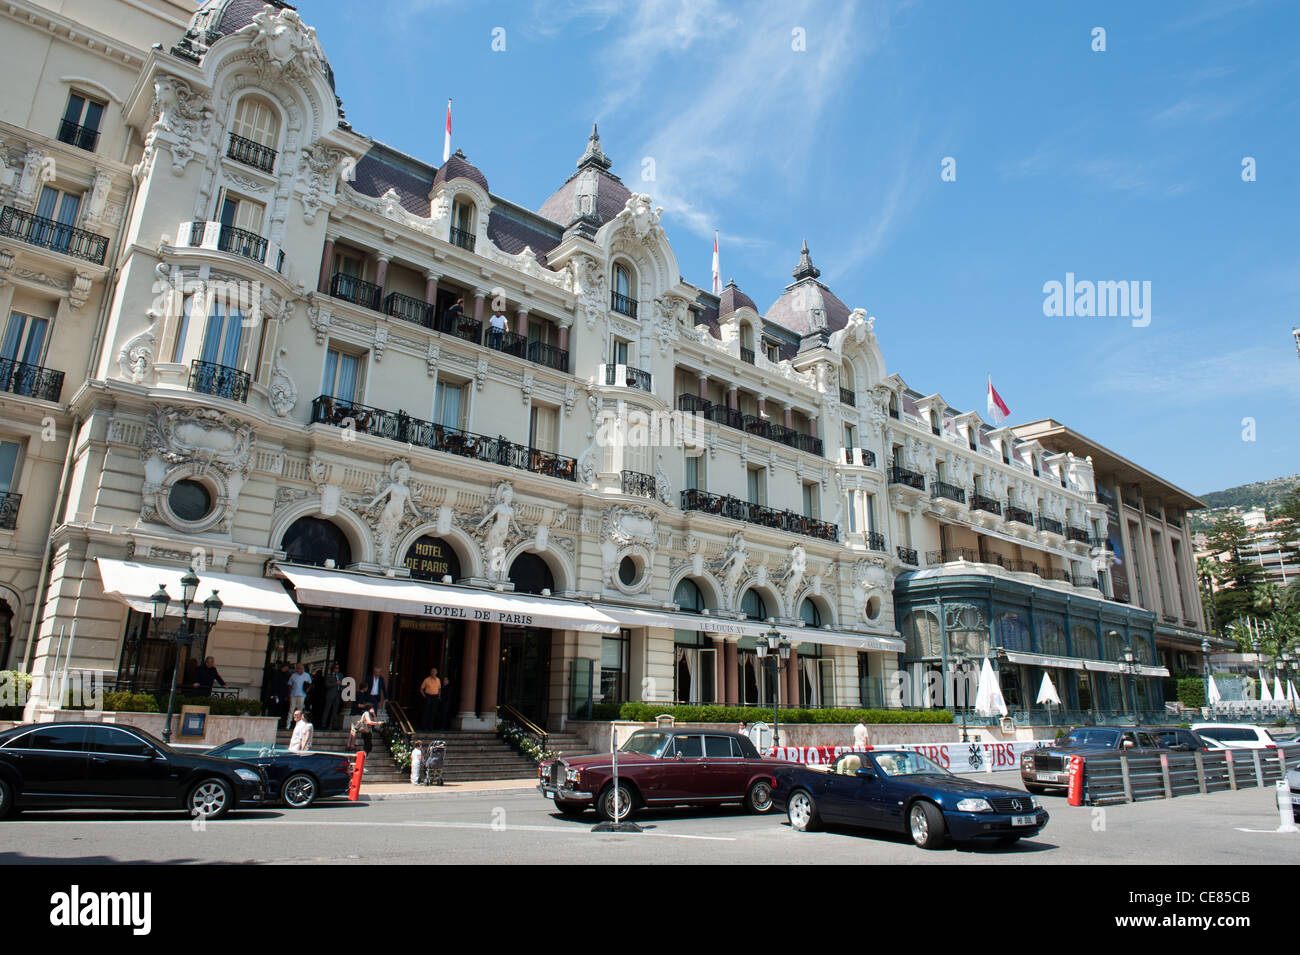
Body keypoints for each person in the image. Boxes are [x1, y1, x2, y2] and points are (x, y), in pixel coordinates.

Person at [322, 660, 344, 731]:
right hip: (330, 694)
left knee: (335, 711)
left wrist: (341, 686)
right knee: (327, 709)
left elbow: (343, 683)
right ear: (333, 669)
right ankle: (323, 724)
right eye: (336, 668)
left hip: (337, 694)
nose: (337, 669)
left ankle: (334, 725)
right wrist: (335, 683)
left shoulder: (340, 675)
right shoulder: (329, 676)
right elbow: (327, 685)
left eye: (338, 668)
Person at [268, 662, 291, 729]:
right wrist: (275, 694)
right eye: (286, 668)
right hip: (276, 695)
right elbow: (274, 684)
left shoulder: (286, 675)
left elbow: (286, 686)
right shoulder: (276, 674)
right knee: (274, 708)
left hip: (282, 695)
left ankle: (279, 724)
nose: (286, 669)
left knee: (280, 709)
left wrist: (286, 695)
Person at [419, 667, 442, 731]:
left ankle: (430, 727)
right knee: (426, 712)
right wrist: (425, 697)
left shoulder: (438, 680)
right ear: (430, 672)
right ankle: (424, 727)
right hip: (428, 697)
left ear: (436, 673)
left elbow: (439, 689)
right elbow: (421, 689)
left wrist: (439, 696)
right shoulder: (426, 680)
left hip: (435, 697)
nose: (433, 673)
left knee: (433, 712)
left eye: (434, 671)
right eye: (432, 671)